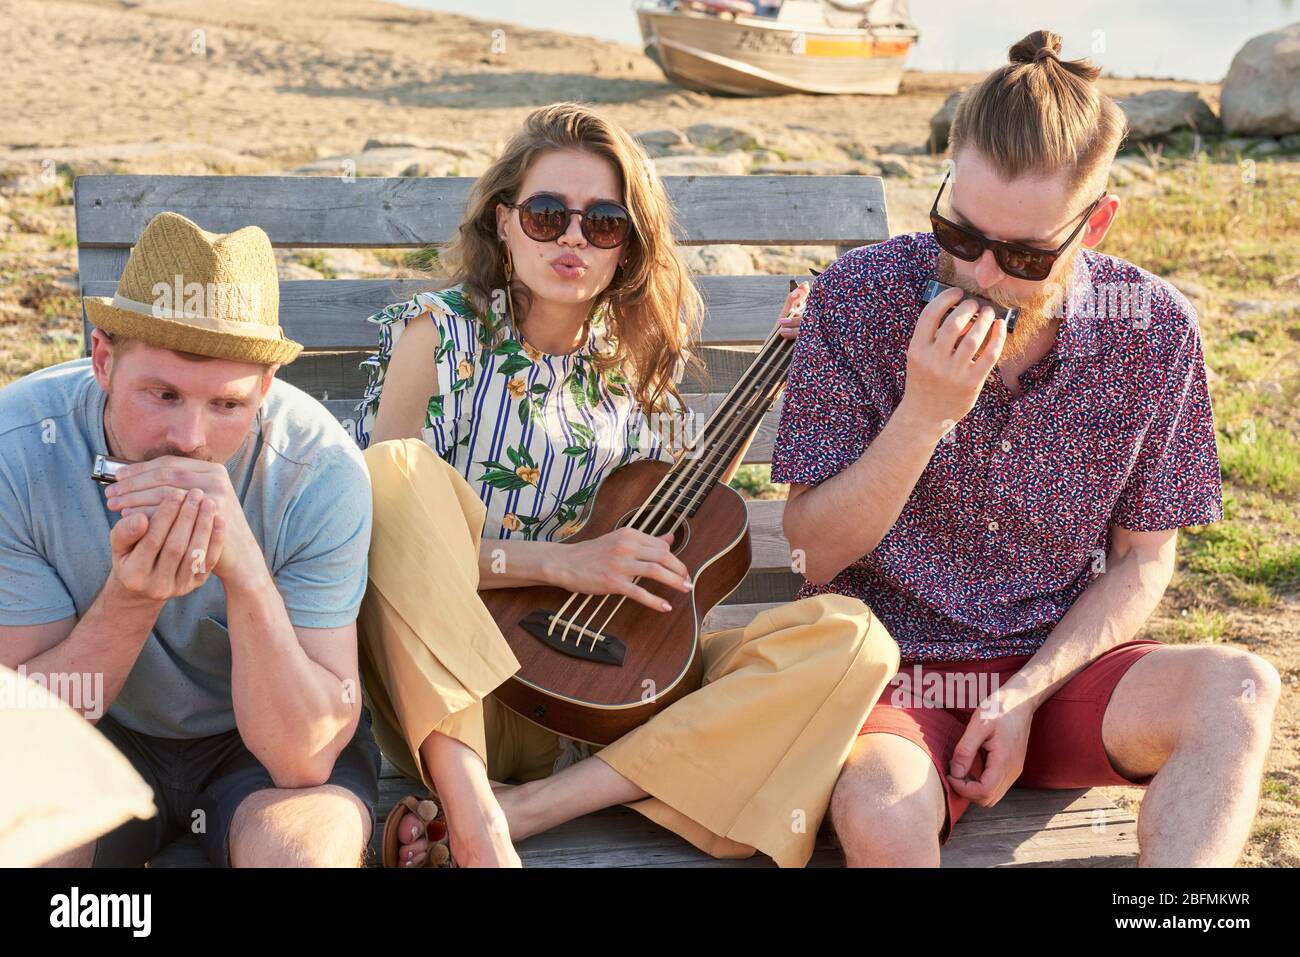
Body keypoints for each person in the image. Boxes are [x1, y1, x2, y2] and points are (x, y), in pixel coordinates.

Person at [774, 29, 1280, 867]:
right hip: (886, 671)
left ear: (1097, 224)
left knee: (1241, 688)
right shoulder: (856, 299)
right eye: (959, 233)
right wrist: (924, 416)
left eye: (1026, 255)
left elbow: (1144, 560)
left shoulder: (1150, 328)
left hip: (1057, 667)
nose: (982, 276)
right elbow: (809, 549)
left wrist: (1023, 693)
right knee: (878, 803)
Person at [353, 101, 900, 868]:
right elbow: (376, 539)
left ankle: (526, 812)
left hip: (602, 702)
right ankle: (476, 810)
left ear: (626, 250)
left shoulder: (632, 372)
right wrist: (560, 563)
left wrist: (779, 364)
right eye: (548, 215)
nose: (573, 237)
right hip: (460, 704)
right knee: (392, 477)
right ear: (504, 224)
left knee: (852, 640)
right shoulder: (435, 336)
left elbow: (672, 515)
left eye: (603, 223)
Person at [0, 211, 379, 867]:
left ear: (265, 389)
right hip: (99, 735)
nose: (190, 438)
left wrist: (247, 575)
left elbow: (304, 756)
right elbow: (26, 734)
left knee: (309, 853)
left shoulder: (321, 472)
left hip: (256, 751)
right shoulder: (19, 451)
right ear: (103, 360)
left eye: (227, 405)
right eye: (163, 392)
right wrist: (132, 597)